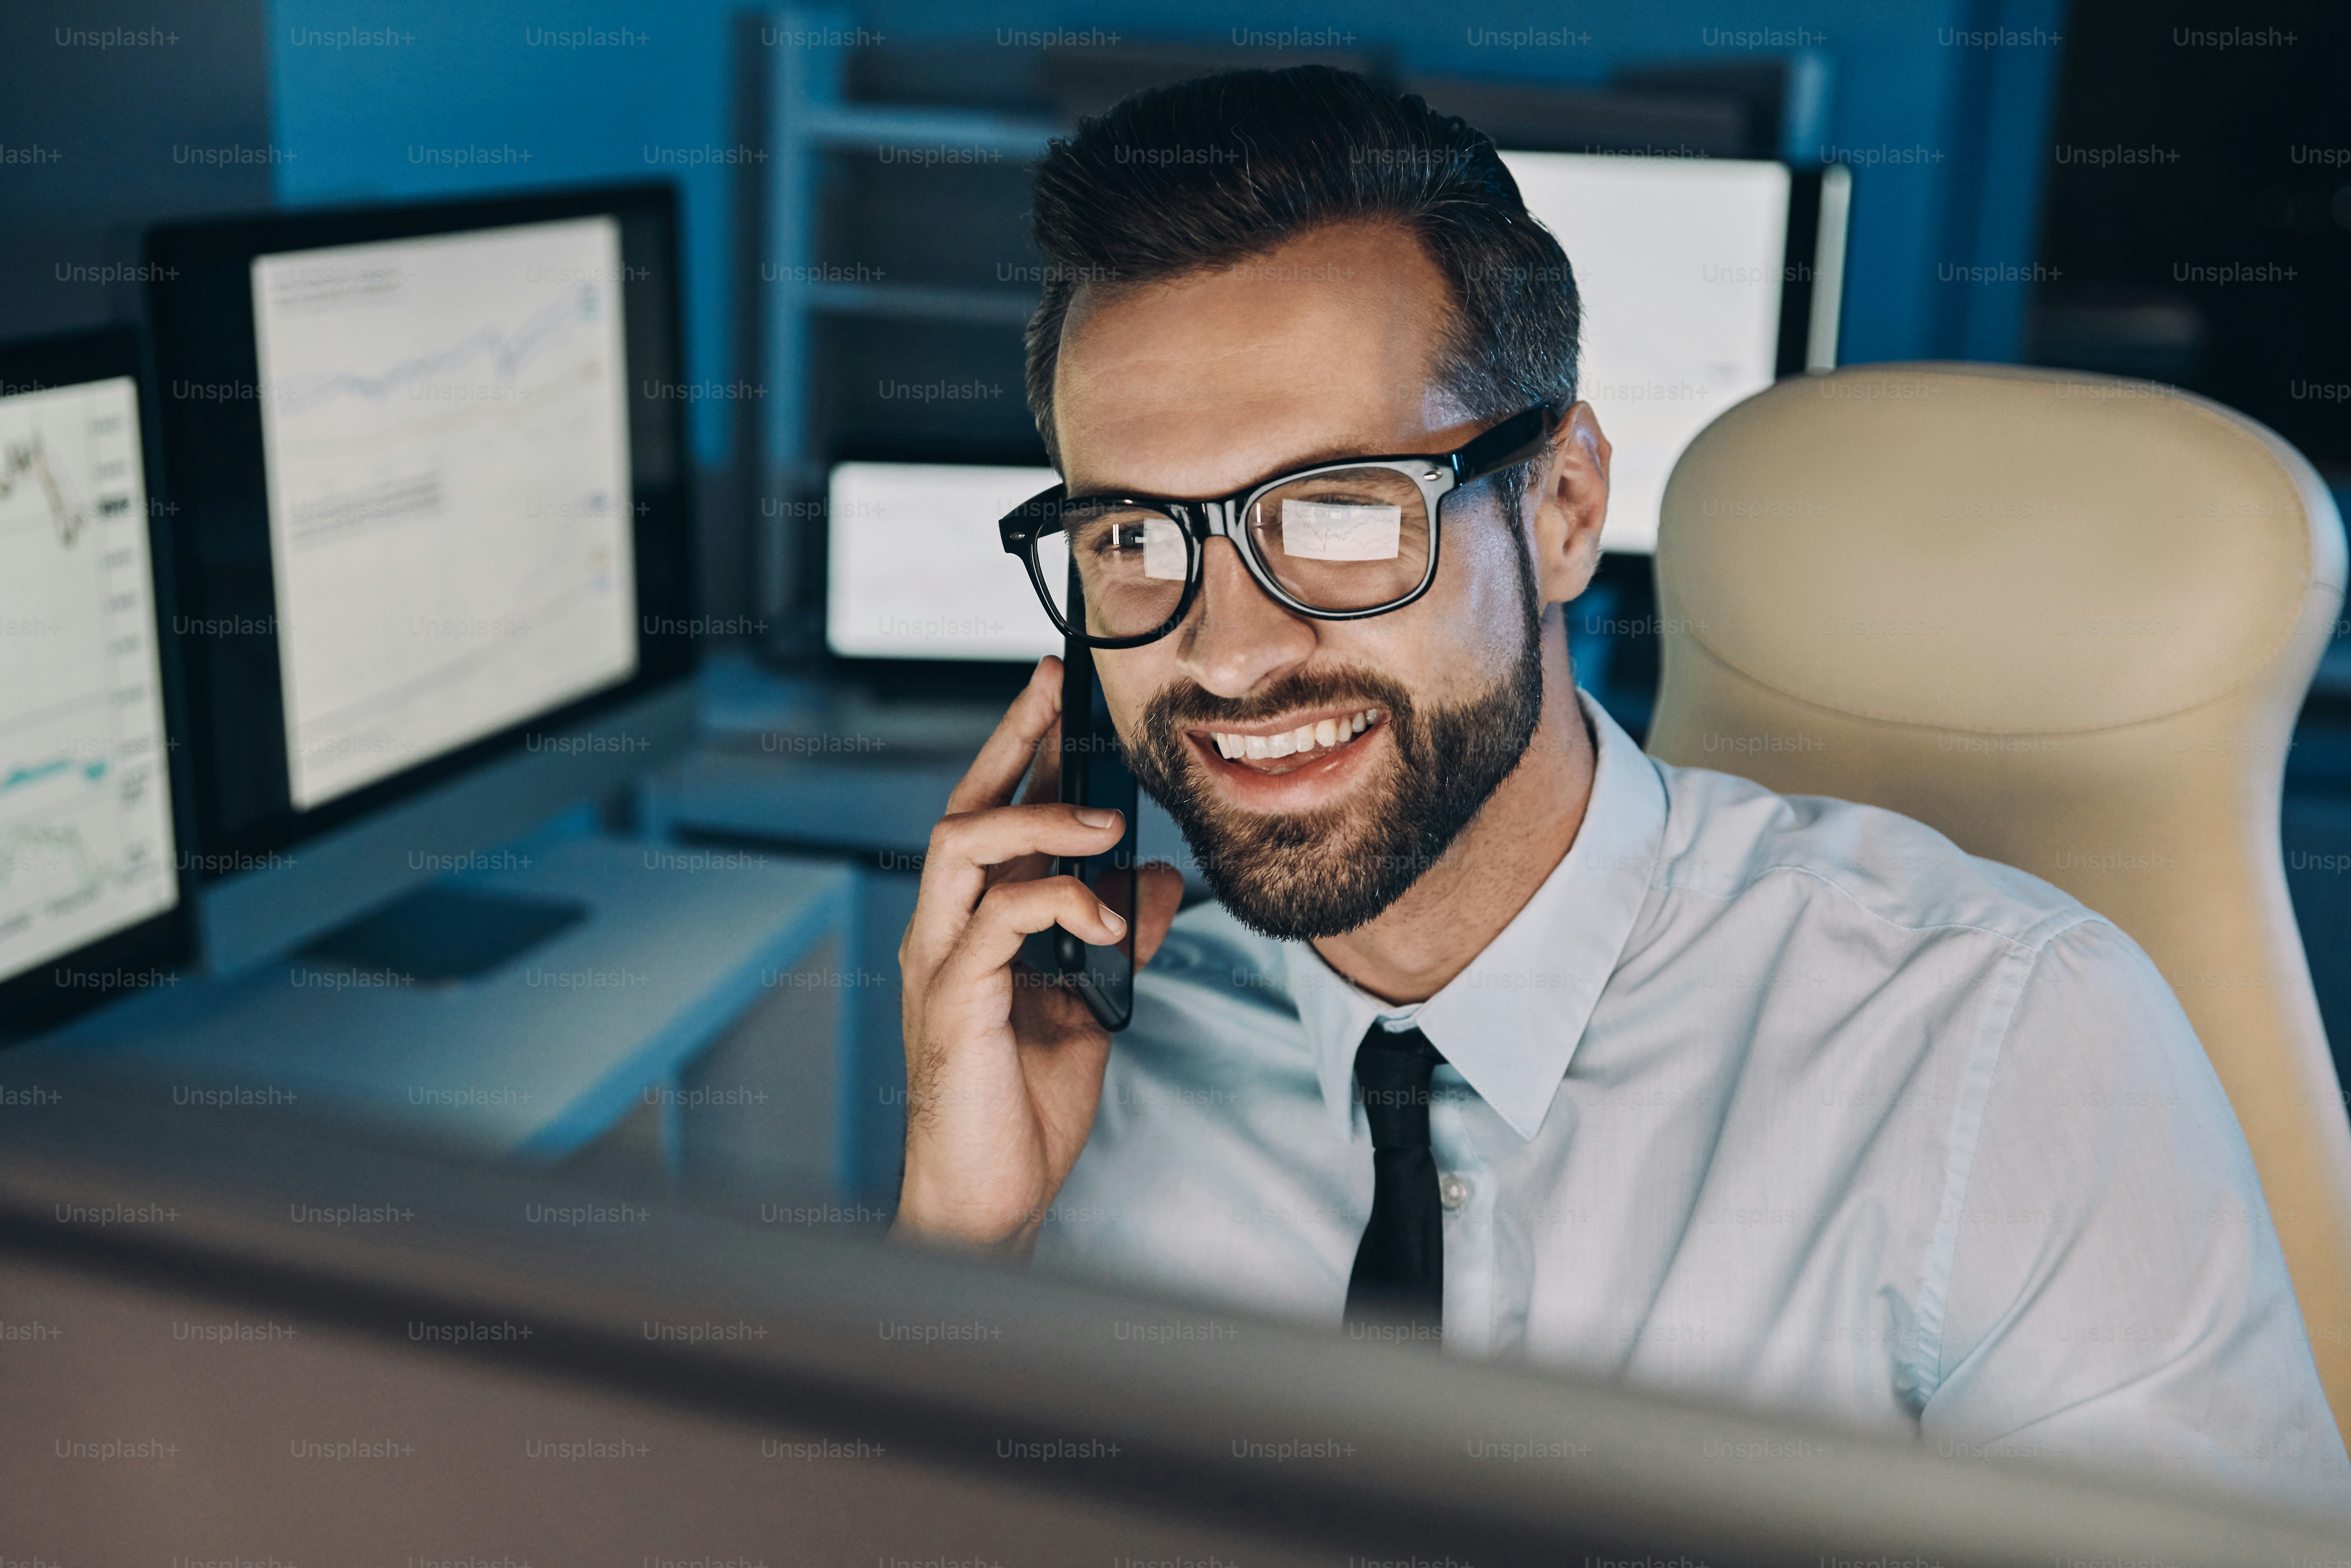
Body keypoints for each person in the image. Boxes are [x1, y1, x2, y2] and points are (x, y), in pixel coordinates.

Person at [889, 64, 2351, 1510]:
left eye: (1338, 513)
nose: (1228, 654)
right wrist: (960, 1260)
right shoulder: (1077, 1068)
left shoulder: (2006, 1041)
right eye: (1134, 539)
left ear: (1567, 509)